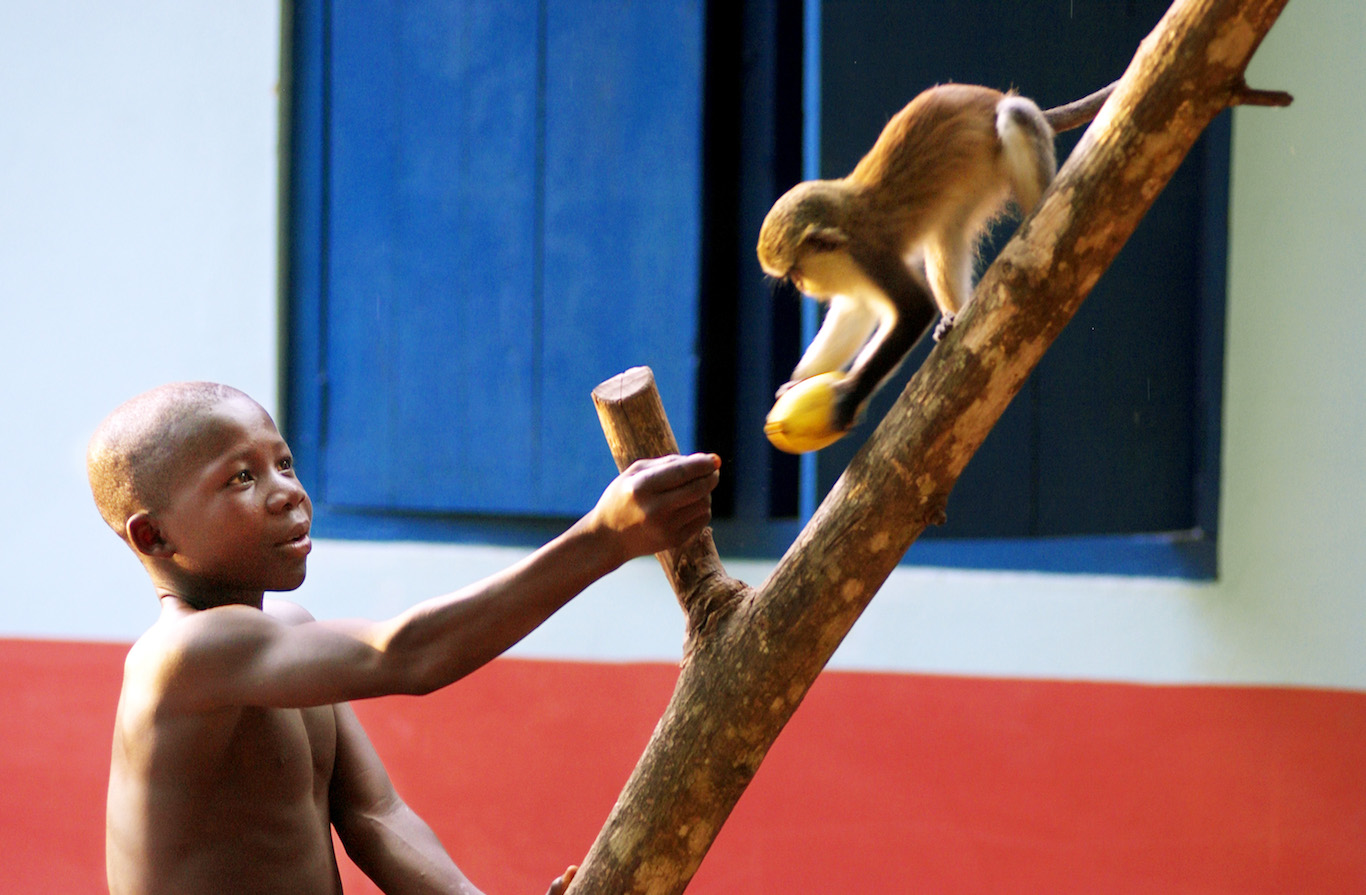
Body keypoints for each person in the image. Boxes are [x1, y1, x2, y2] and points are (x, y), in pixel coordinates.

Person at [87, 381, 720, 895]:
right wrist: (605, 538)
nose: (287, 493)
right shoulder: (180, 658)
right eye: (241, 479)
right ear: (154, 538)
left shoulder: (289, 634)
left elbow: (376, 819)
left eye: (283, 462)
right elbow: (405, 654)